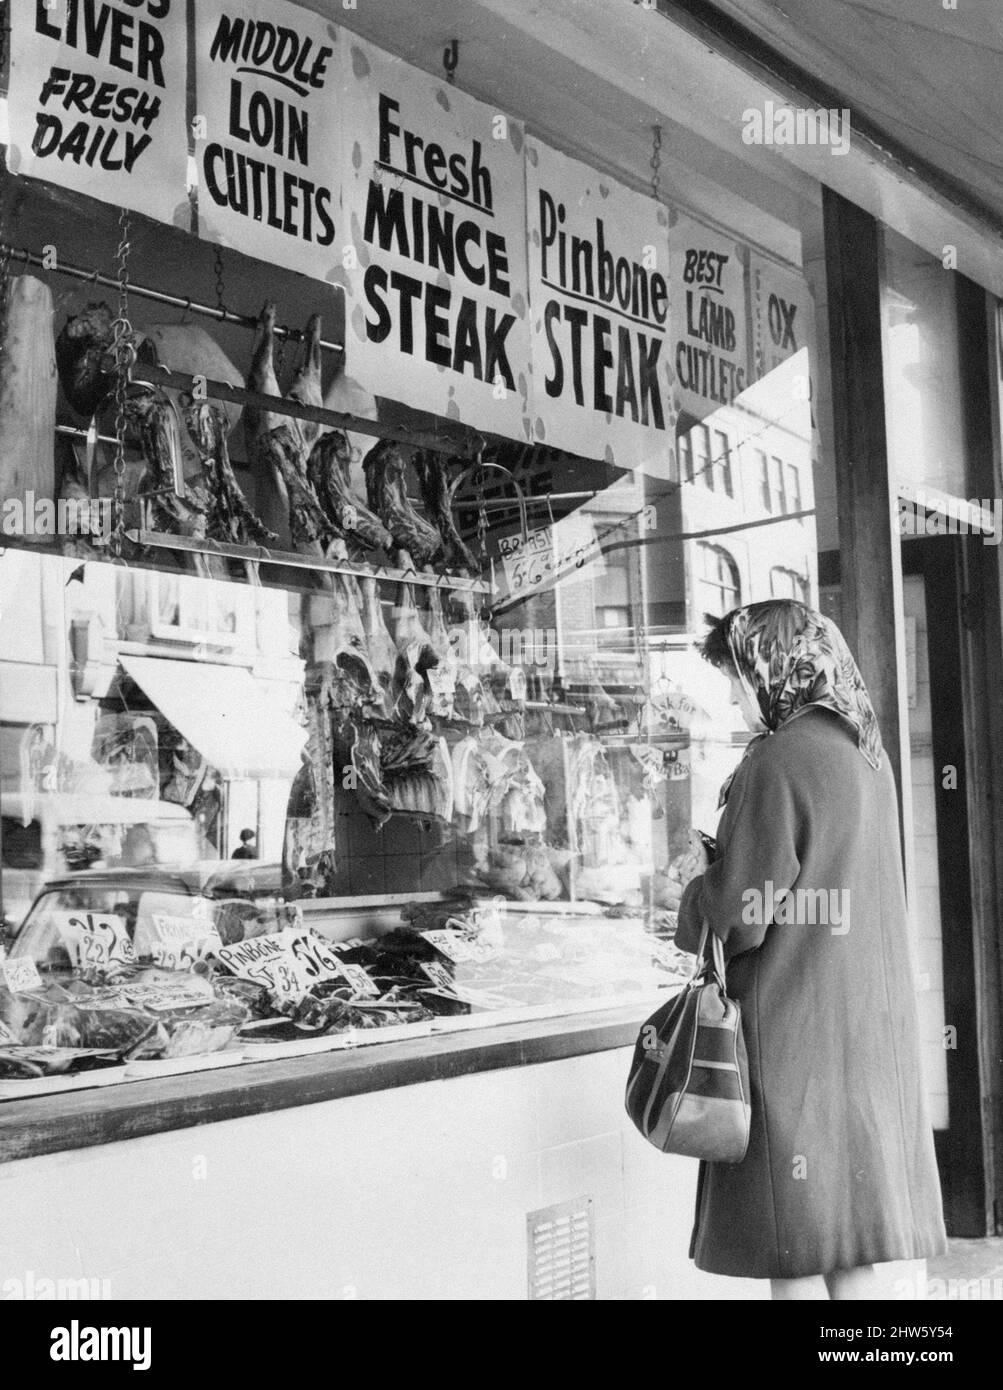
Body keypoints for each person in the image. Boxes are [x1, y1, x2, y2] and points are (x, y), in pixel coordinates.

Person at [672, 599, 946, 1301]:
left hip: (790, 1036)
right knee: (847, 1243)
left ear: (773, 669)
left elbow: (741, 915)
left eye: (736, 676)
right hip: (863, 1035)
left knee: (789, 1246)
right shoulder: (864, 750)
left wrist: (695, 885)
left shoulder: (777, 758)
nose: (733, 695)